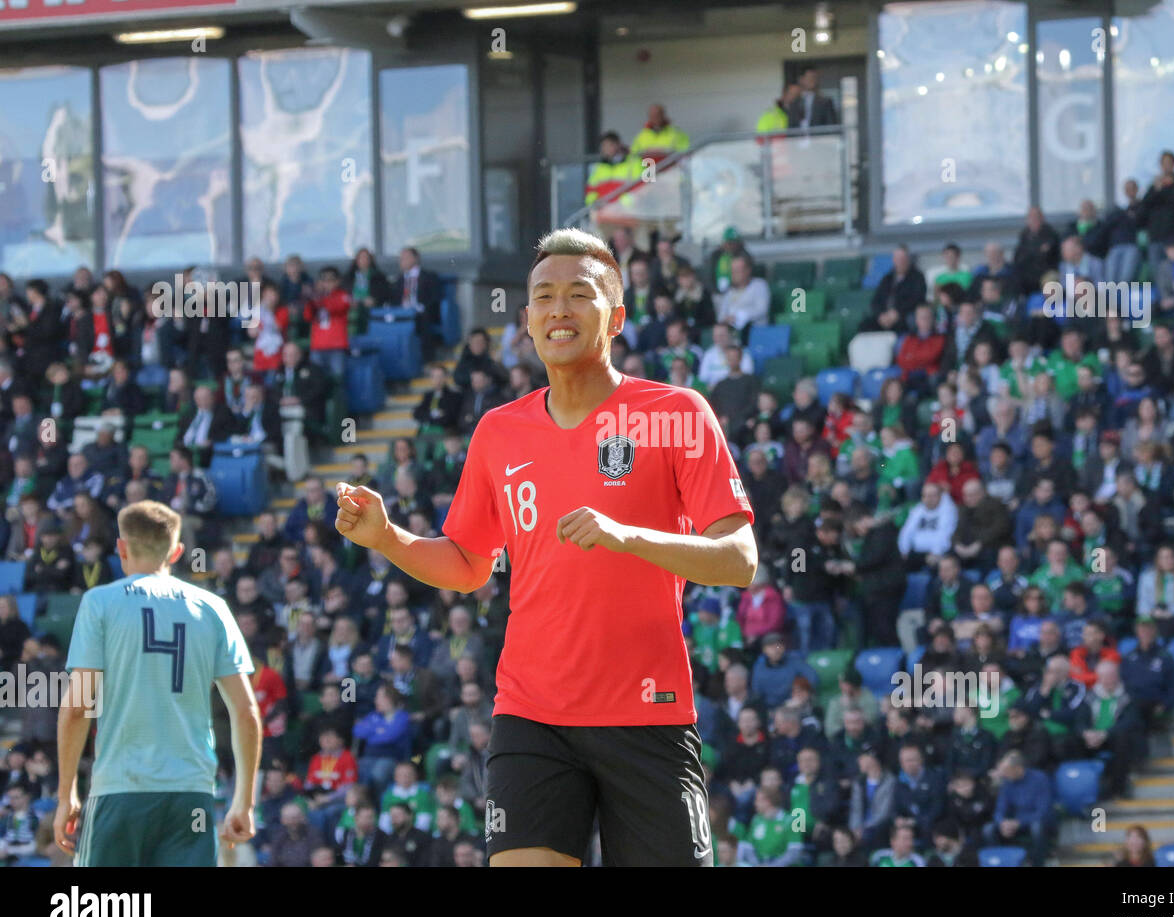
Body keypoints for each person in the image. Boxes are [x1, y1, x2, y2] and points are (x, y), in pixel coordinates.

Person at [334, 228, 757, 867]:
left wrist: (627, 536)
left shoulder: (677, 413)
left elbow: (739, 559)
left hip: (647, 715)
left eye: (579, 295)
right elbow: (469, 566)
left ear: (615, 317)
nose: (559, 308)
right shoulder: (498, 431)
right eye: (543, 296)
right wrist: (388, 538)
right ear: (527, 319)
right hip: (532, 714)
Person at [54, 501, 262, 865]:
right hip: (191, 795)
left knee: (107, 915)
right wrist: (244, 801)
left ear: (121, 548)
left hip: (121, 789)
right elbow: (245, 712)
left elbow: (77, 708)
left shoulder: (99, 602)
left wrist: (65, 794)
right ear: (177, 552)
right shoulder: (212, 606)